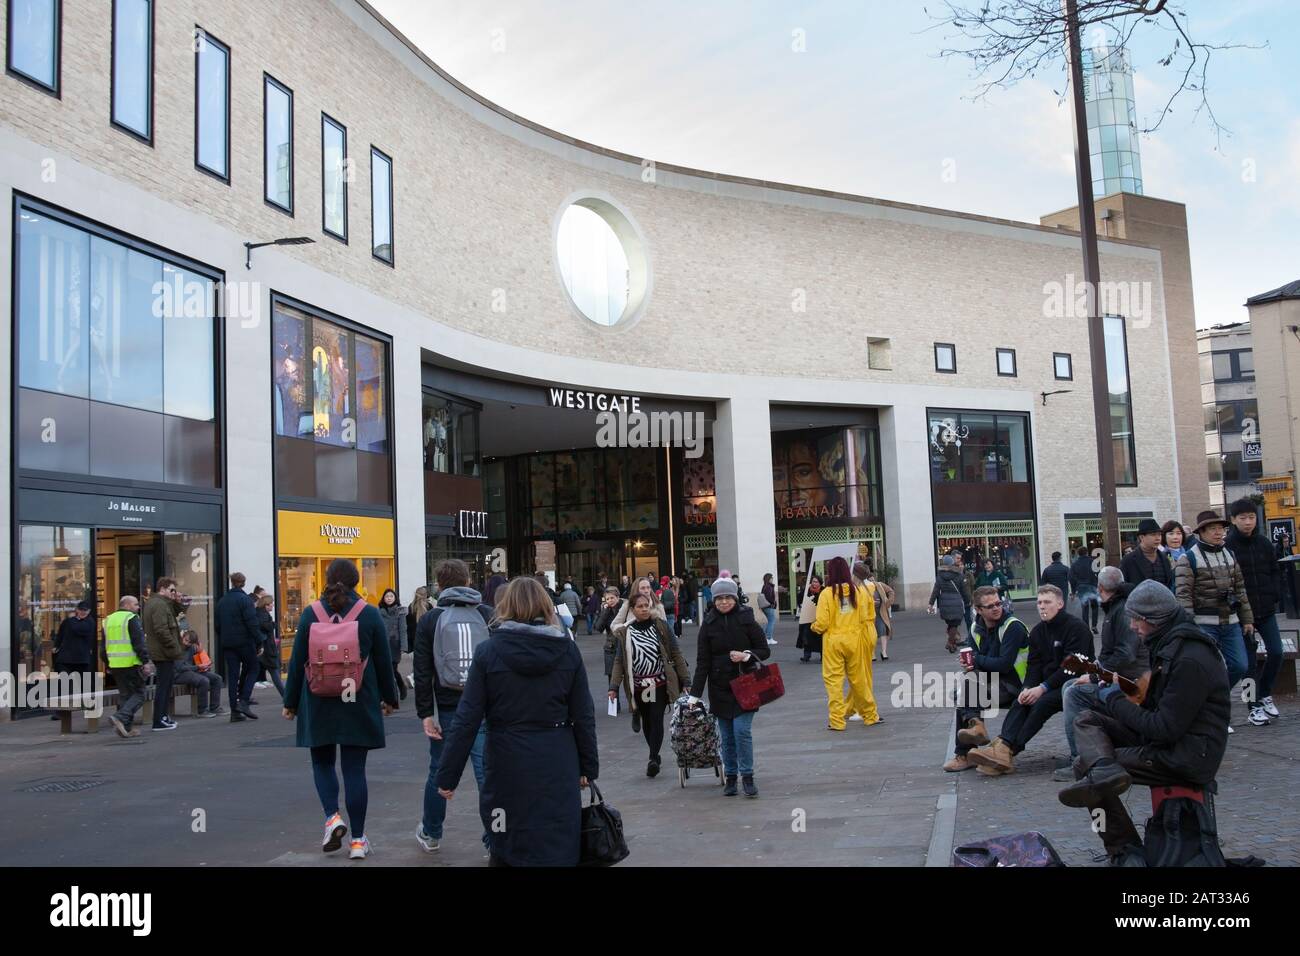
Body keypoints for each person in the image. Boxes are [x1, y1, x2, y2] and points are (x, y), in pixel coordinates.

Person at [1058, 580, 1230, 866]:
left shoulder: (1190, 657)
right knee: (1087, 719)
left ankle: (1124, 850)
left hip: (1188, 755)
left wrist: (1115, 702)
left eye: (1136, 619)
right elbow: (1155, 713)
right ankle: (1104, 772)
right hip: (1171, 742)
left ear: (1154, 620)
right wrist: (1116, 700)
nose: (1133, 626)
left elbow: (1164, 728)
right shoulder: (1167, 644)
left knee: (1082, 766)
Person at [435, 577, 599, 867]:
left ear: (506, 607)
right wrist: (588, 766)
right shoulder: (566, 650)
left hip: (506, 759)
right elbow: (583, 714)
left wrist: (448, 775)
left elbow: (467, 718)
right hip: (556, 758)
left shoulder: (488, 652)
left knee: (507, 836)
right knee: (557, 837)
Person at [283, 558, 399, 861]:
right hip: (357, 700)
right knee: (354, 770)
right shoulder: (370, 615)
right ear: (357, 582)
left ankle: (333, 818)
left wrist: (290, 702)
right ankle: (358, 841)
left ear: (327, 580)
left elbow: (296, 663)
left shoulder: (311, 614)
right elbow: (384, 663)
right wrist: (390, 697)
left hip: (318, 700)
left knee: (322, 764)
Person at [967, 585, 1092, 776]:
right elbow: (1034, 666)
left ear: (1060, 603)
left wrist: (1042, 688)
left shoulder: (1076, 628)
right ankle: (1002, 746)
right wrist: (1027, 688)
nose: (1042, 607)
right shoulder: (1038, 631)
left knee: (1041, 703)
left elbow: (1071, 668)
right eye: (1039, 602)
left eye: (1047, 602)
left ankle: (1007, 750)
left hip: (1074, 684)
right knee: (1022, 700)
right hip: (1046, 684)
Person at [413, 559, 495, 853]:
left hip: (447, 706)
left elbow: (422, 672)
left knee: (439, 769)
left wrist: (425, 713)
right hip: (484, 705)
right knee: (487, 771)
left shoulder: (430, 620)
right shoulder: (487, 614)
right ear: (469, 581)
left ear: (440, 584)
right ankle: (495, 836)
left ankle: (432, 833)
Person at [1056, 566, 1143, 780]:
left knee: (1074, 693)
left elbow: (1126, 654)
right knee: (1071, 685)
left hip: (1132, 680)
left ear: (1101, 587)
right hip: (1124, 675)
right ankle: (1084, 752)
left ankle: (1081, 758)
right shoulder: (1116, 608)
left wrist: (1096, 676)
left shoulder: (1121, 611)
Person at [687, 576, 769, 796]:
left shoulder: (746, 618)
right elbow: (702, 662)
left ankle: (748, 776)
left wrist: (746, 655)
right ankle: (731, 777)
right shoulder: (708, 624)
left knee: (741, 731)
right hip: (719, 688)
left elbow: (764, 649)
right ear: (714, 600)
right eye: (720, 598)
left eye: (728, 598)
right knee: (727, 736)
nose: (724, 602)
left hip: (746, 684)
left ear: (735, 598)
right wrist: (694, 696)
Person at [943, 586, 1030, 772]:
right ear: (978, 610)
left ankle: (965, 752)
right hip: (993, 681)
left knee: (965, 695)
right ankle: (975, 729)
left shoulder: (1012, 627)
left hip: (1017, 686)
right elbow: (979, 663)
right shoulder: (976, 628)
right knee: (966, 684)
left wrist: (975, 661)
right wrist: (971, 664)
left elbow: (1004, 664)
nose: (996, 608)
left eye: (998, 603)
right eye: (990, 606)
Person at [609, 592, 691, 777]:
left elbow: (676, 653)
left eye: (647, 605)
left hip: (659, 683)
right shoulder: (625, 632)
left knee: (656, 717)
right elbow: (619, 662)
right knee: (647, 720)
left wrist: (685, 679)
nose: (645, 609)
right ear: (632, 610)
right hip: (638, 686)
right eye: (640, 606)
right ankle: (654, 752)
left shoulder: (661, 626)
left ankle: (653, 757)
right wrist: (613, 687)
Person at [1175, 510, 1253, 694]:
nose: (1219, 532)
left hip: (1232, 622)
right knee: (1207, 668)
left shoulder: (1229, 554)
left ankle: (1213, 696)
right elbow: (1183, 595)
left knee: (1240, 665)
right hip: (1203, 624)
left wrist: (1247, 619)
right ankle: (1211, 705)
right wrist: (1189, 624)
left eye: (1221, 528)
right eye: (1213, 529)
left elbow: (1240, 588)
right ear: (1201, 532)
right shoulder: (1189, 557)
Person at [1226, 499, 1283, 726]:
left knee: (1276, 652)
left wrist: (1274, 594)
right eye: (1242, 518)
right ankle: (1252, 706)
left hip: (1266, 609)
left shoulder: (1264, 543)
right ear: (1233, 520)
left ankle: (1265, 692)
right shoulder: (1228, 547)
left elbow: (1275, 570)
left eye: (1251, 517)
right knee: (1248, 664)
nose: (1248, 522)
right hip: (1241, 615)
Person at [815, 557, 878, 731]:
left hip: (833, 641)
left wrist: (814, 627)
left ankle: (837, 721)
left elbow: (822, 623)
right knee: (859, 679)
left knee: (834, 682)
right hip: (855, 639)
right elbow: (865, 616)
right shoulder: (857, 591)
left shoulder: (827, 593)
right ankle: (870, 715)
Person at [103, 596, 153, 738]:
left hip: (115, 664)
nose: (138, 607)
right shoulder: (131, 618)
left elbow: (103, 646)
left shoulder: (108, 620)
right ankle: (120, 717)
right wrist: (145, 661)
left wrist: (107, 663)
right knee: (140, 693)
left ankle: (125, 728)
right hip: (131, 662)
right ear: (127, 605)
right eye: (136, 604)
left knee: (126, 695)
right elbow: (139, 642)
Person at [214, 572, 262, 722]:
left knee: (233, 675)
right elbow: (252, 623)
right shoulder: (245, 600)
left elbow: (217, 625)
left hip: (228, 643)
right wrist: (259, 641)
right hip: (244, 642)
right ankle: (244, 700)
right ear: (244, 583)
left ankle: (234, 711)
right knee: (254, 668)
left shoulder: (222, 601)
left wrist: (224, 636)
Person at [142, 578, 185, 732]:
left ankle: (163, 717)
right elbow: (161, 629)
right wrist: (173, 646)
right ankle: (159, 719)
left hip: (162, 650)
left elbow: (176, 615)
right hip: (163, 651)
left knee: (166, 685)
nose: (174, 593)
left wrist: (177, 601)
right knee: (164, 686)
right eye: (172, 590)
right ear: (163, 588)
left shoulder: (160, 603)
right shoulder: (158, 604)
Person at [175, 630, 225, 718]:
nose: (186, 643)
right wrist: (198, 667)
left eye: (189, 642)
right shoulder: (177, 648)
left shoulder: (192, 648)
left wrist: (200, 651)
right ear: (183, 637)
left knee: (217, 679)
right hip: (178, 675)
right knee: (203, 681)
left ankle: (215, 707)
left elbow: (200, 662)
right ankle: (202, 710)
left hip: (192, 672)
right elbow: (180, 668)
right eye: (185, 640)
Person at [928, 555, 969, 654]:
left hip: (944, 602)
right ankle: (951, 642)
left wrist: (931, 603)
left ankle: (953, 644)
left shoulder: (940, 576)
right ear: (952, 563)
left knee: (951, 624)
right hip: (956, 601)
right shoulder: (959, 575)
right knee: (955, 624)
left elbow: (936, 591)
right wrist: (967, 600)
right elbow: (964, 590)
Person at [1121, 518, 1174, 590]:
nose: (1157, 538)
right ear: (1142, 537)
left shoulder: (1164, 558)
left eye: (1159, 535)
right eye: (1153, 535)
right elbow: (1122, 585)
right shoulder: (1128, 560)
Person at [594, 587, 624, 711]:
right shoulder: (605, 610)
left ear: (618, 597)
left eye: (612, 598)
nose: (610, 601)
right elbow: (598, 627)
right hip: (611, 647)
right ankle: (614, 707)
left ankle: (635, 706)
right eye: (607, 599)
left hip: (624, 645)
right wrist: (605, 612)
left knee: (629, 678)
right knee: (612, 679)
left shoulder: (625, 609)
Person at [610, 576, 667, 640]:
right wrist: (627, 630)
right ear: (636, 590)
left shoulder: (658, 607)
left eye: (648, 587)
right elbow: (614, 625)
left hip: (654, 646)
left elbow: (666, 629)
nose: (646, 591)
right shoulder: (628, 605)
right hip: (632, 645)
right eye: (643, 588)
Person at [53, 600, 95, 685]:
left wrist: (72, 618)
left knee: (84, 685)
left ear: (89, 611)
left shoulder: (90, 622)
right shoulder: (68, 621)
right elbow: (60, 634)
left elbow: (78, 629)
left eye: (85, 610)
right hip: (65, 659)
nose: (82, 612)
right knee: (65, 684)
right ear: (77, 609)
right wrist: (56, 646)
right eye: (81, 609)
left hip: (81, 661)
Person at [859, 563, 894, 661]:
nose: (871, 581)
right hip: (869, 614)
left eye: (872, 579)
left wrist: (887, 603)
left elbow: (891, 591)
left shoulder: (878, 585)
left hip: (880, 612)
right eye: (869, 579)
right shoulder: (861, 586)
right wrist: (870, 603)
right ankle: (872, 653)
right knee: (871, 634)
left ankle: (884, 652)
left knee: (883, 631)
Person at [377, 589, 408, 702]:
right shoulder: (379, 611)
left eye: (391, 596)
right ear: (383, 598)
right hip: (383, 644)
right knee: (384, 670)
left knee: (392, 670)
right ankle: (385, 695)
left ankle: (400, 687)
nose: (389, 598)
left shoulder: (400, 612)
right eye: (387, 596)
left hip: (395, 644)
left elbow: (403, 629)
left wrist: (404, 647)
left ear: (395, 598)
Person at [254, 593, 285, 699]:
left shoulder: (260, 613)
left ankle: (243, 696)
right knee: (274, 672)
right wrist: (273, 624)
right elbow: (266, 626)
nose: (272, 605)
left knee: (254, 672)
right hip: (267, 648)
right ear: (266, 605)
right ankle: (285, 695)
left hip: (265, 647)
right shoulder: (263, 615)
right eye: (271, 604)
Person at [1069, 547, 1101, 633]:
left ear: (1078, 554)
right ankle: (1094, 625)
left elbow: (1071, 578)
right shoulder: (1093, 562)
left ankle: (1086, 627)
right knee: (1095, 606)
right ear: (1087, 552)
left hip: (1081, 587)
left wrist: (1073, 591)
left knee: (1085, 608)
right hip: (1092, 586)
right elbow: (1099, 574)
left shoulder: (1075, 564)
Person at [796, 574, 823, 663]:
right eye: (813, 582)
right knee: (806, 636)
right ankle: (806, 655)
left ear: (820, 583)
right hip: (808, 617)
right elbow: (799, 600)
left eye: (816, 582)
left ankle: (823, 655)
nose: (814, 584)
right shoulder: (806, 590)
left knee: (820, 638)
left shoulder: (823, 591)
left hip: (819, 617)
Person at [758, 573, 783, 645]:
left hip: (766, 607)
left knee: (770, 621)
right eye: (771, 578)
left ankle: (766, 638)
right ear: (768, 579)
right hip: (769, 607)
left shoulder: (765, 586)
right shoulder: (768, 587)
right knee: (771, 622)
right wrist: (773, 602)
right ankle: (769, 638)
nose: (772, 579)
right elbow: (769, 597)